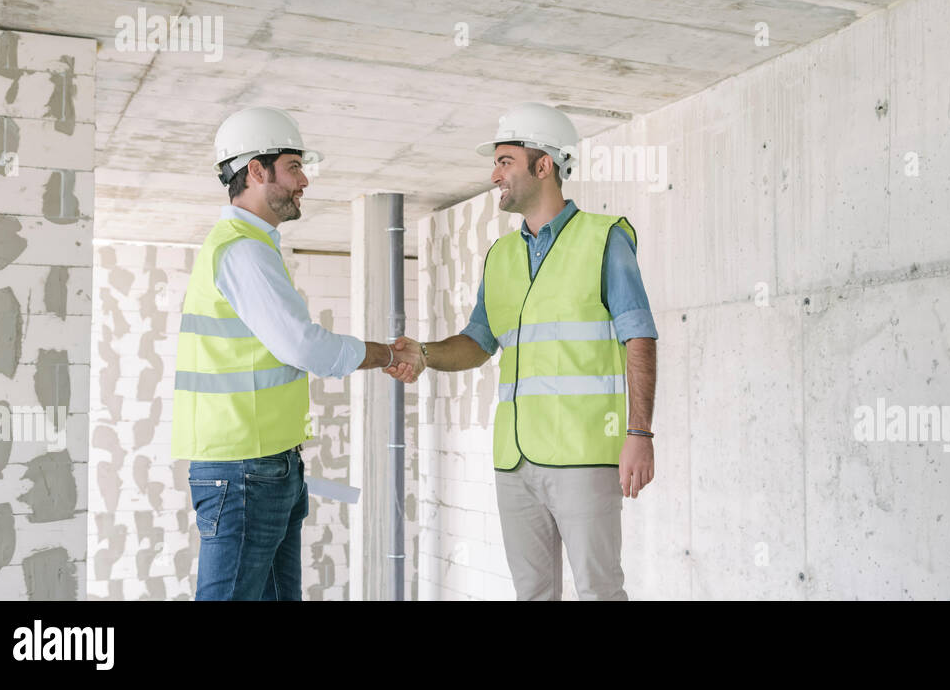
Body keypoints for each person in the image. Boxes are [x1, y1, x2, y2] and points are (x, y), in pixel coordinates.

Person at [388, 102, 658, 600]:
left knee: (599, 590)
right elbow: (478, 342)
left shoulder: (604, 239)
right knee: (532, 593)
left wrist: (639, 432)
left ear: (544, 165)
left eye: (504, 161)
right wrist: (424, 353)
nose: (494, 175)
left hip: (583, 455)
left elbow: (638, 335)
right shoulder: (501, 256)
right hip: (515, 461)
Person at [172, 105, 411, 600]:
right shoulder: (241, 250)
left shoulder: (251, 246)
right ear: (257, 171)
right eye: (295, 167)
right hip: (244, 471)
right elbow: (305, 346)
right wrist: (388, 354)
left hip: (265, 466)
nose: (305, 181)